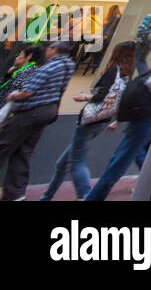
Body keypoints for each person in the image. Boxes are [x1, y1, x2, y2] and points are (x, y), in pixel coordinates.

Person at [41, 41, 136, 201]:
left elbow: (102, 96)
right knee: (63, 163)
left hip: (90, 120)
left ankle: (85, 195)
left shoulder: (114, 71)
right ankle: (46, 196)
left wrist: (85, 96)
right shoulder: (127, 74)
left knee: (76, 162)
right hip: (103, 119)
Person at [85, 44, 151, 201]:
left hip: (149, 121)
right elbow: (137, 96)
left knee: (148, 162)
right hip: (147, 121)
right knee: (132, 161)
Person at [0, 41, 76, 200]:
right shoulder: (68, 66)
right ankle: (15, 193)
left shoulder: (48, 67)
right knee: (23, 151)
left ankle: (14, 192)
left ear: (54, 50)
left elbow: (27, 92)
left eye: (49, 48)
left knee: (3, 141)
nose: (46, 51)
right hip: (47, 111)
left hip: (31, 111)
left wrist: (14, 95)